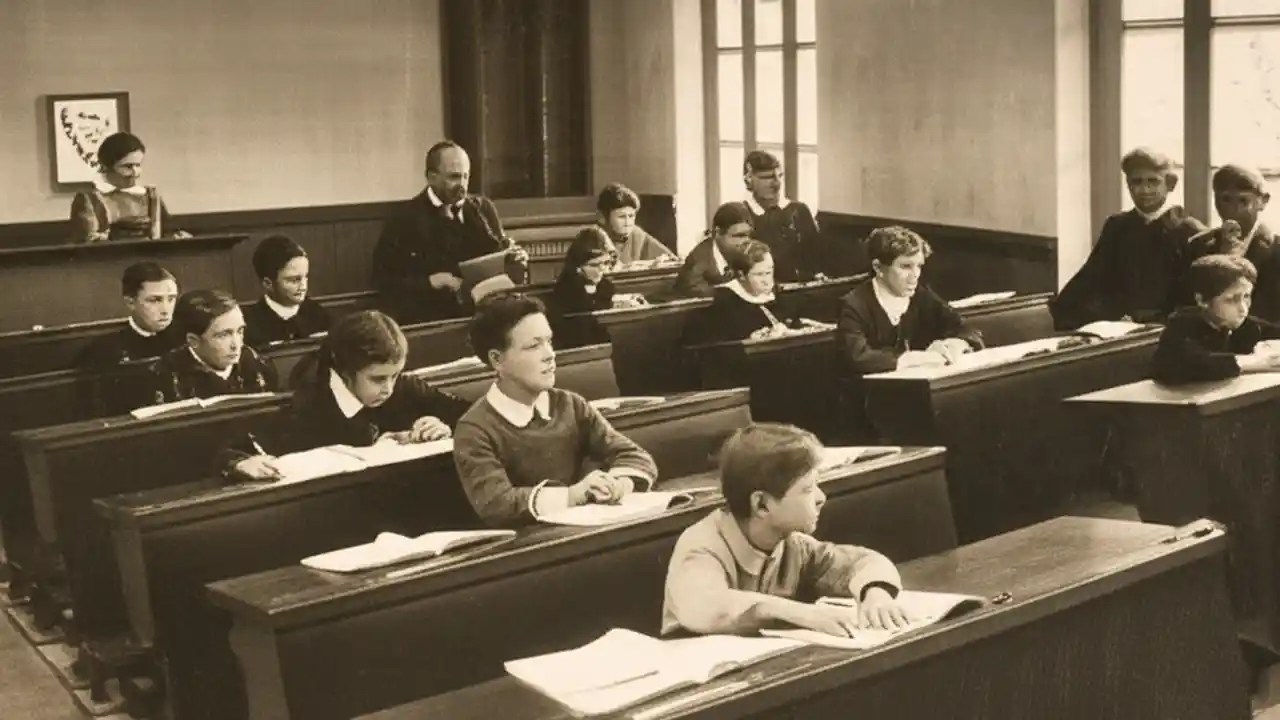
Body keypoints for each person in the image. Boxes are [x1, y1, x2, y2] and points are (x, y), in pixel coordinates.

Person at [662, 423, 906, 636]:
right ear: (762, 504)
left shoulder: (792, 544)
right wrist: (803, 614)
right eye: (808, 489)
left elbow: (860, 562)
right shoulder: (702, 546)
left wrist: (875, 594)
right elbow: (705, 606)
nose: (821, 497)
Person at [452, 292, 658, 527]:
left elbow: (635, 456)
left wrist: (618, 485)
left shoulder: (571, 404)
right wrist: (573, 495)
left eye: (549, 341)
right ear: (497, 360)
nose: (550, 355)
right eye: (533, 346)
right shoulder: (475, 429)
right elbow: (497, 504)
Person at [226, 310, 471, 481]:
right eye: (377, 379)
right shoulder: (307, 405)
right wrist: (240, 463)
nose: (389, 388)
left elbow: (470, 414)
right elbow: (234, 451)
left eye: (395, 375)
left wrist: (444, 427)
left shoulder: (404, 388)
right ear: (345, 371)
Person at [372, 141, 529, 323]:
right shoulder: (405, 218)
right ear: (431, 177)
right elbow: (383, 280)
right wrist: (431, 282)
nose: (461, 185)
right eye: (453, 177)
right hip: (433, 318)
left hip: (485, 314)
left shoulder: (483, 208)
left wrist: (513, 258)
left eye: (465, 177)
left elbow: (498, 251)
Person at [1050, 148, 1206, 330]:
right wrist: (1058, 310)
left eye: (1153, 182)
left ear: (1170, 184)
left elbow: (1191, 299)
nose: (1145, 190)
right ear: (1128, 185)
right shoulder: (1117, 226)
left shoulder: (1189, 232)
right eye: (1136, 182)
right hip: (1114, 324)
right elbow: (1090, 277)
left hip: (1163, 329)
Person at [836, 226, 983, 374]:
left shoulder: (921, 295)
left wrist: (955, 344)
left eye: (919, 266)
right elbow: (858, 359)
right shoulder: (854, 305)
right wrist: (921, 358)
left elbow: (967, 330)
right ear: (878, 267)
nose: (915, 275)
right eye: (906, 266)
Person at [1151, 255, 1280, 385]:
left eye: (1246, 296)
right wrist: (1256, 362)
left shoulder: (1243, 323)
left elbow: (1273, 331)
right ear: (1202, 300)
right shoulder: (1181, 326)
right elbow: (1188, 363)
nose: (1243, 308)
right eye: (1231, 300)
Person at [1185, 165, 1280, 322]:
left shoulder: (1276, 250)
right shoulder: (1198, 245)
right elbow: (1186, 301)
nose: (1233, 209)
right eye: (1225, 199)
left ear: (1263, 201)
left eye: (1243, 201)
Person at [149, 289, 278, 403]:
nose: (236, 345)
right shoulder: (165, 376)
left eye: (240, 331)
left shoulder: (256, 362)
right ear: (193, 341)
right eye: (223, 335)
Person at [69, 132, 191, 243]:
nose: (135, 172)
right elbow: (87, 241)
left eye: (138, 165)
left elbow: (166, 231)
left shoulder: (151, 196)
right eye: (127, 167)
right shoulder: (89, 199)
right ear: (107, 168)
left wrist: (176, 236)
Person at [75, 262, 182, 369]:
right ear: (130, 303)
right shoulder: (103, 350)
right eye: (154, 300)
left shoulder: (186, 340)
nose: (165, 310)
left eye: (171, 299)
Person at [740, 150, 823, 283]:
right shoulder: (740, 215)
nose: (776, 184)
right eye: (766, 177)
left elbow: (816, 259)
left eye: (779, 176)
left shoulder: (800, 211)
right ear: (748, 180)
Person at [242, 235, 332, 349]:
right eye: (294, 280)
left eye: (305, 277)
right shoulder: (249, 325)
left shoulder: (320, 316)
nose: (303, 286)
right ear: (268, 283)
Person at [697, 240, 797, 343]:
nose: (767, 281)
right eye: (759, 274)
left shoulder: (777, 295)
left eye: (769, 272)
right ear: (741, 275)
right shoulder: (724, 304)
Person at [548, 227, 618, 347]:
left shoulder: (607, 286)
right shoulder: (565, 293)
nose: (602, 270)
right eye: (594, 265)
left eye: (606, 263)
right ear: (578, 266)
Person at [673, 202, 756, 298]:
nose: (746, 241)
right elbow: (694, 294)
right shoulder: (698, 261)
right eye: (739, 236)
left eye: (749, 235)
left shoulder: (746, 253)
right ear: (718, 232)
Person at [596, 183, 676, 265]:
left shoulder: (638, 235)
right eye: (621, 217)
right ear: (602, 218)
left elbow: (670, 259)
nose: (628, 223)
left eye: (631, 216)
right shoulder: (594, 237)